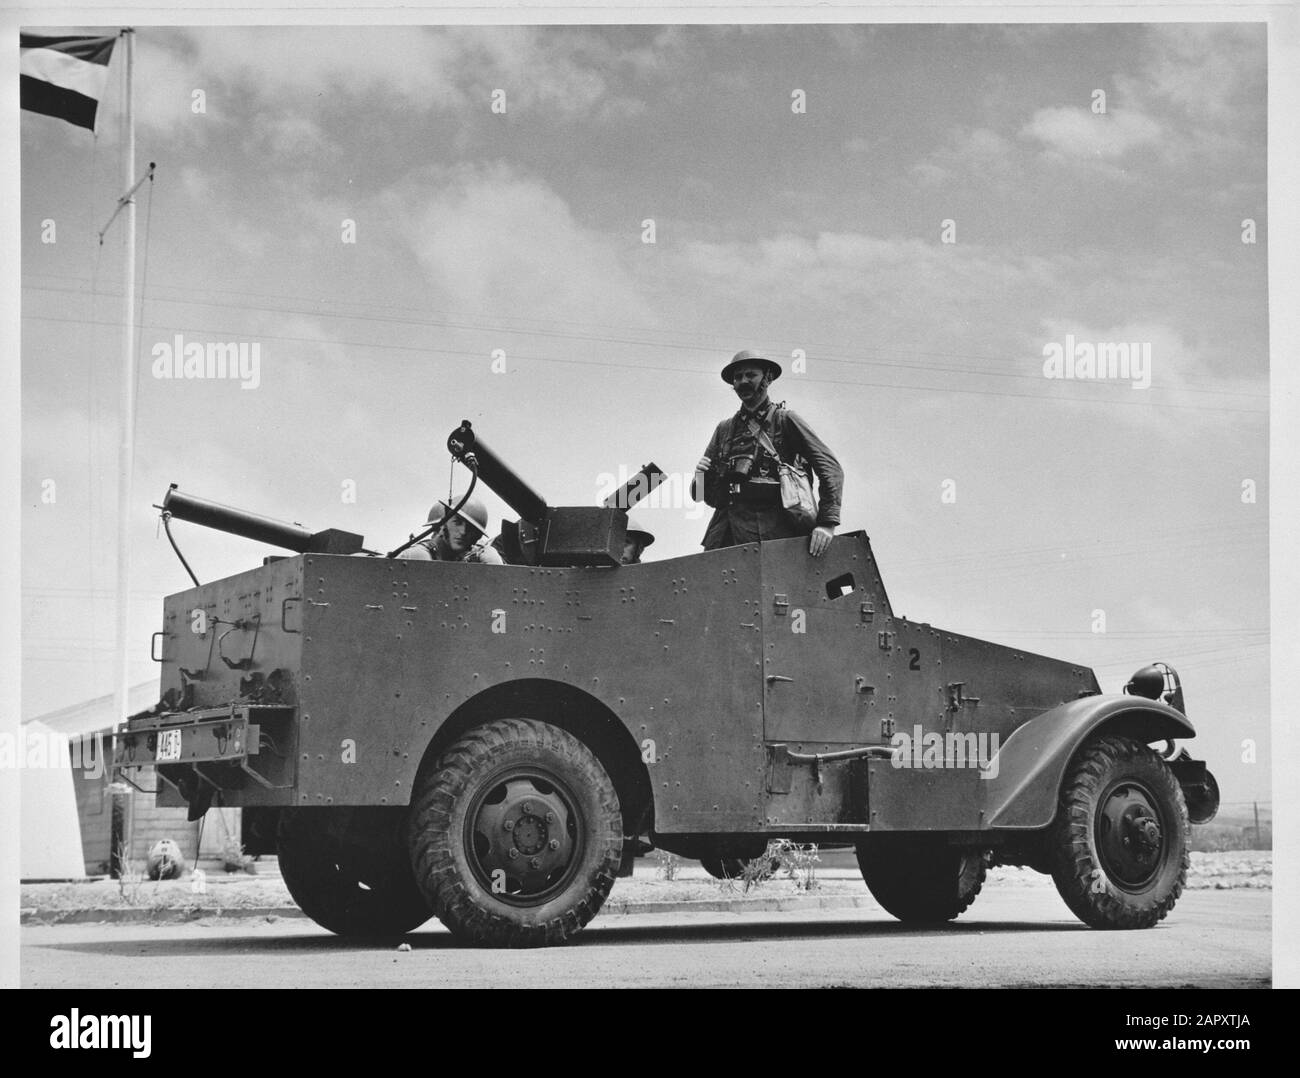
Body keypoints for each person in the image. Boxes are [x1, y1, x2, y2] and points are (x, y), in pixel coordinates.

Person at [691, 349, 843, 555]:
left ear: (767, 378)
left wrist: (827, 523)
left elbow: (830, 469)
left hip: (780, 532)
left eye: (751, 375)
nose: (743, 381)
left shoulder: (785, 420)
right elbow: (706, 497)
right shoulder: (724, 429)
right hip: (729, 535)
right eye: (738, 377)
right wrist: (700, 477)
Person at [397, 495, 504, 563]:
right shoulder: (418, 556)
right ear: (443, 525)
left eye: (471, 528)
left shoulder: (477, 558)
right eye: (457, 522)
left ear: (477, 536)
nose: (463, 532)